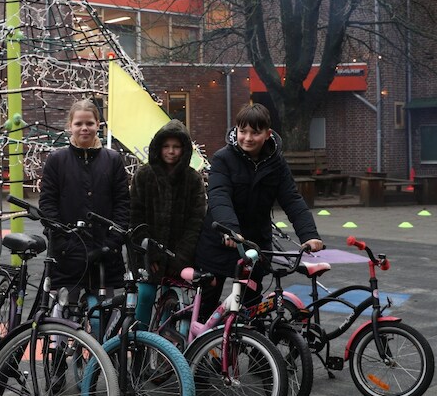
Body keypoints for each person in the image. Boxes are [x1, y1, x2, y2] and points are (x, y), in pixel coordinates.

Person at [194, 103, 324, 317]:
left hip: (254, 245)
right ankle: (195, 346)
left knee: (251, 310)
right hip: (220, 242)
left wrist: (309, 235)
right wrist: (230, 229)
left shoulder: (277, 164)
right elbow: (219, 195)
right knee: (207, 305)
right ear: (236, 130)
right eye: (242, 131)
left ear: (267, 134)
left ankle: (253, 348)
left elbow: (292, 200)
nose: (247, 138)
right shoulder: (223, 159)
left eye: (255, 132)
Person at [39, 99, 131, 328]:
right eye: (79, 123)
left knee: (105, 322)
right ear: (70, 126)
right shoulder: (57, 160)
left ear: (98, 124)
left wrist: (112, 243)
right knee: (62, 321)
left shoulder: (112, 160)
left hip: (105, 257)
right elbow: (48, 204)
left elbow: (122, 205)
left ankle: (98, 363)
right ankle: (59, 359)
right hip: (67, 257)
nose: (84, 128)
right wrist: (65, 241)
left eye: (89, 123)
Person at [129, 119, 206, 329]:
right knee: (144, 295)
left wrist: (180, 258)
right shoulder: (144, 175)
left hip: (178, 258)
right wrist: (148, 252)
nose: (171, 151)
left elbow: (196, 221)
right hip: (146, 254)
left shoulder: (192, 180)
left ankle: (164, 351)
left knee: (171, 303)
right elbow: (135, 215)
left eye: (176, 146)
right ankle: (139, 343)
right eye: (166, 146)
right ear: (158, 147)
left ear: (184, 149)